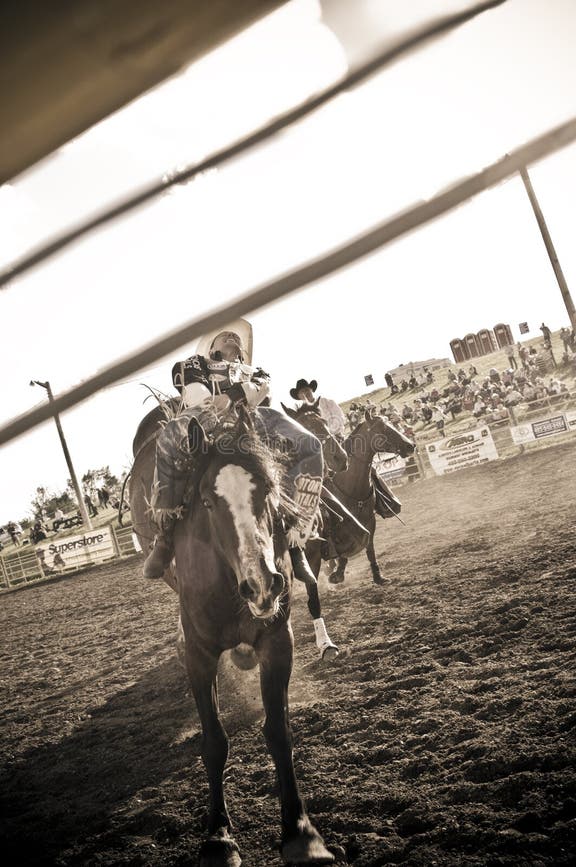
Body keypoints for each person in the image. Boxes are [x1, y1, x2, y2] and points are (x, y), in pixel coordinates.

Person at [143, 321, 324, 587]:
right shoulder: (196, 363)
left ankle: (296, 540)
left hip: (252, 419)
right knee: (170, 434)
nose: (231, 336)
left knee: (310, 444)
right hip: (204, 415)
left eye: (235, 336)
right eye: (224, 335)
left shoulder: (256, 372)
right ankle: (165, 535)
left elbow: (262, 387)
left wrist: (231, 397)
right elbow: (193, 388)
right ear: (211, 348)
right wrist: (210, 403)